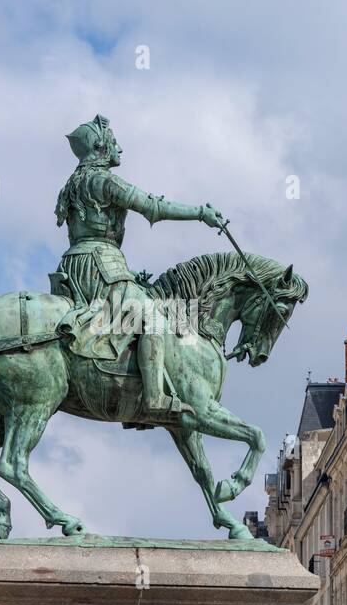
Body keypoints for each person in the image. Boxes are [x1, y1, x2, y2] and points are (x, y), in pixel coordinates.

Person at [52, 114, 224, 423]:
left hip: (73, 266)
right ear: (100, 147)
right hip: (102, 266)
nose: (120, 148)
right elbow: (152, 206)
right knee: (155, 319)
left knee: (137, 314)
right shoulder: (103, 180)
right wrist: (200, 214)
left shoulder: (72, 183)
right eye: (114, 142)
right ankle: (155, 397)